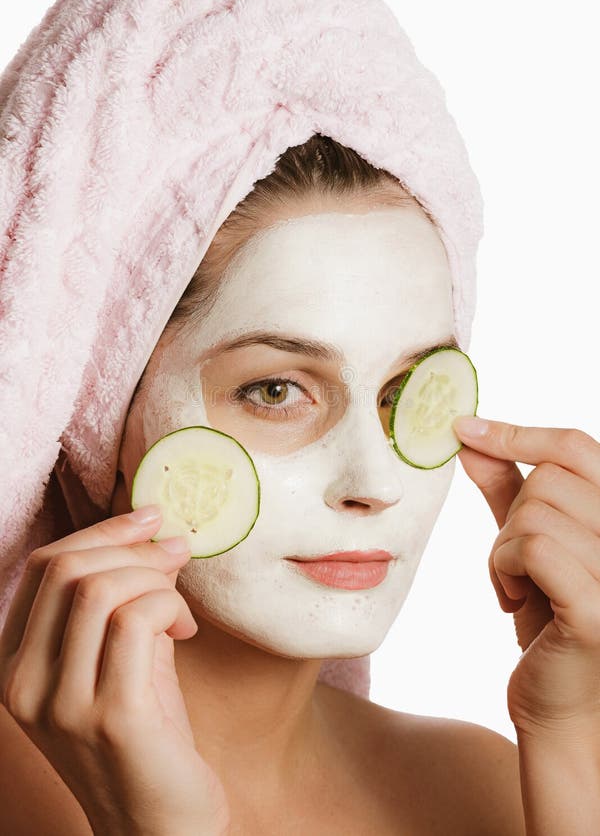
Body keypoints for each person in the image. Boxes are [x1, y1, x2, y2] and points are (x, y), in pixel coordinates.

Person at [0, 135, 527, 834]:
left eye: (405, 391)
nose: (375, 483)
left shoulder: (485, 785)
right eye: (275, 390)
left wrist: (577, 727)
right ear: (100, 409)